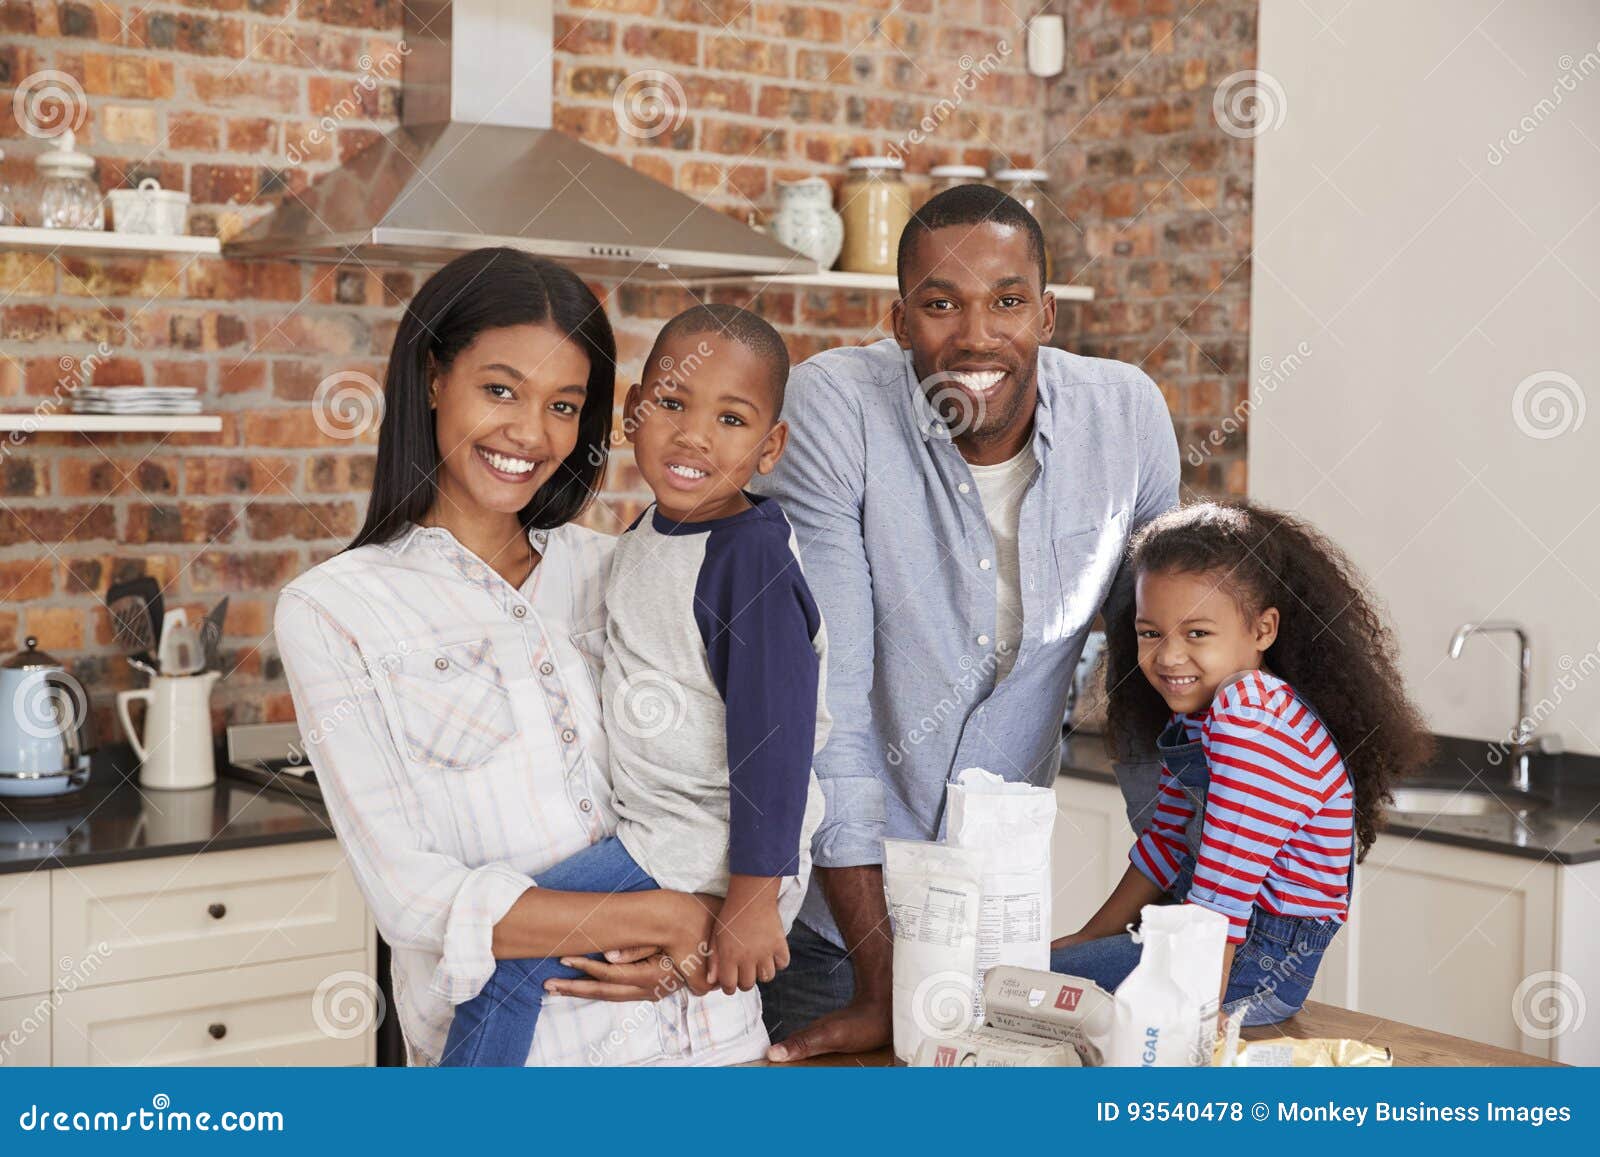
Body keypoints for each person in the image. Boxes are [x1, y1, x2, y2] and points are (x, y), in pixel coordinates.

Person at [275, 249, 776, 1066]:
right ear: (435, 376)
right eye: (500, 389)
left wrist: (722, 907)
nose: (529, 432)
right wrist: (666, 915)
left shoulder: (620, 570)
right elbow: (412, 899)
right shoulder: (337, 610)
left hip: (716, 1037)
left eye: (564, 404)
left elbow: (765, 758)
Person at [732, 183, 1183, 1061]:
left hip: (998, 920)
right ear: (901, 322)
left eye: (1008, 301)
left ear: (1047, 313)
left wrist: (1185, 917)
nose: (977, 336)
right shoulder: (837, 408)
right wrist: (881, 977)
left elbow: (1160, 682)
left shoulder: (1126, 418)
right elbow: (830, 701)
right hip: (834, 927)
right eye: (941, 304)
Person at [442, 304, 829, 1064]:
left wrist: (753, 900)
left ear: (770, 446)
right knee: (515, 951)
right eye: (674, 405)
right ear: (633, 414)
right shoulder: (650, 534)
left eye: (731, 418)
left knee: (505, 955)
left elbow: (775, 739)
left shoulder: (749, 557)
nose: (694, 435)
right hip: (657, 839)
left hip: (694, 848)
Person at [1051, 501, 1433, 1023]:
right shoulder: (1200, 711)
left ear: (1263, 630)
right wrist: (1087, 939)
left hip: (1254, 963)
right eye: (1150, 632)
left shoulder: (1248, 720)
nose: (1167, 656)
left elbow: (1222, 898)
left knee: (1036, 991)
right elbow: (1164, 845)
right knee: (1042, 975)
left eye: (1197, 633)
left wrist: (1197, 1024)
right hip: (1212, 939)